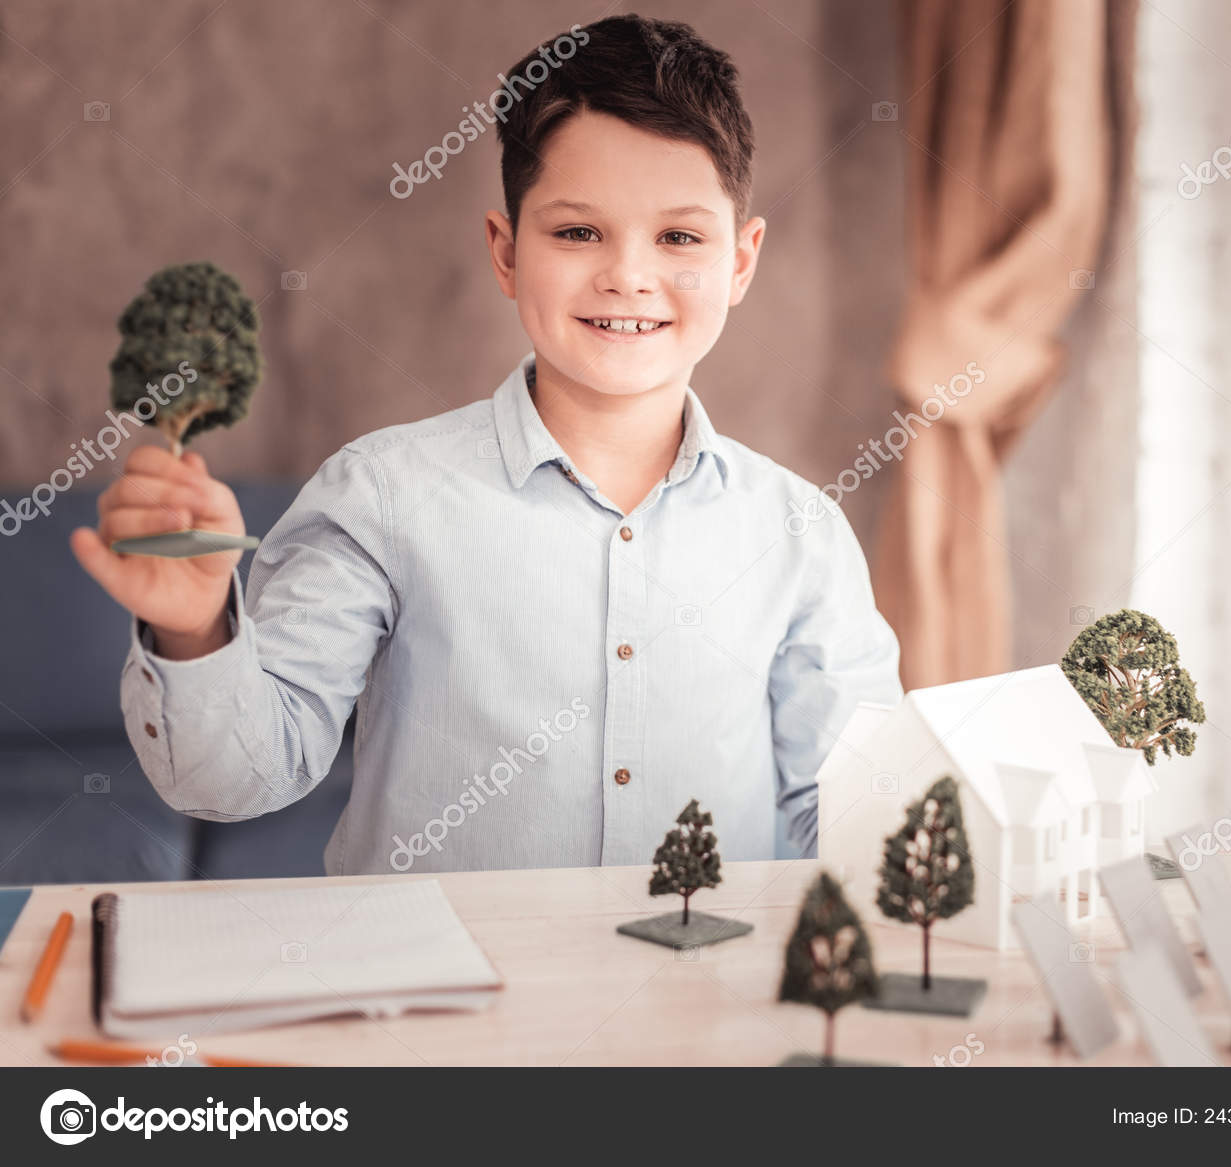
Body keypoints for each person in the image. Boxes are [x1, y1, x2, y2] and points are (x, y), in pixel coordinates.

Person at [70, 15, 902, 875]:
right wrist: (198, 631)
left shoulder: (800, 533)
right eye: (578, 232)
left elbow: (851, 809)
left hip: (703, 1002)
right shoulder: (381, 496)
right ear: (506, 253)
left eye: (679, 237)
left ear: (740, 261)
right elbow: (239, 780)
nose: (628, 275)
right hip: (439, 1002)